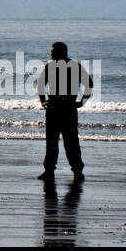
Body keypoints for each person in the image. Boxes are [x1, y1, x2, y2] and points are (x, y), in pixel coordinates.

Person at [37, 41, 92, 181]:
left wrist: (82, 102)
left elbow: (89, 84)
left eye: (53, 52)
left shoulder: (71, 66)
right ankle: (51, 171)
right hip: (57, 108)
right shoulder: (54, 66)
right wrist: (42, 100)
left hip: (65, 109)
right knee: (54, 142)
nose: (51, 54)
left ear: (63, 52)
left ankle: (77, 171)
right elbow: (40, 84)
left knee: (69, 142)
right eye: (51, 52)